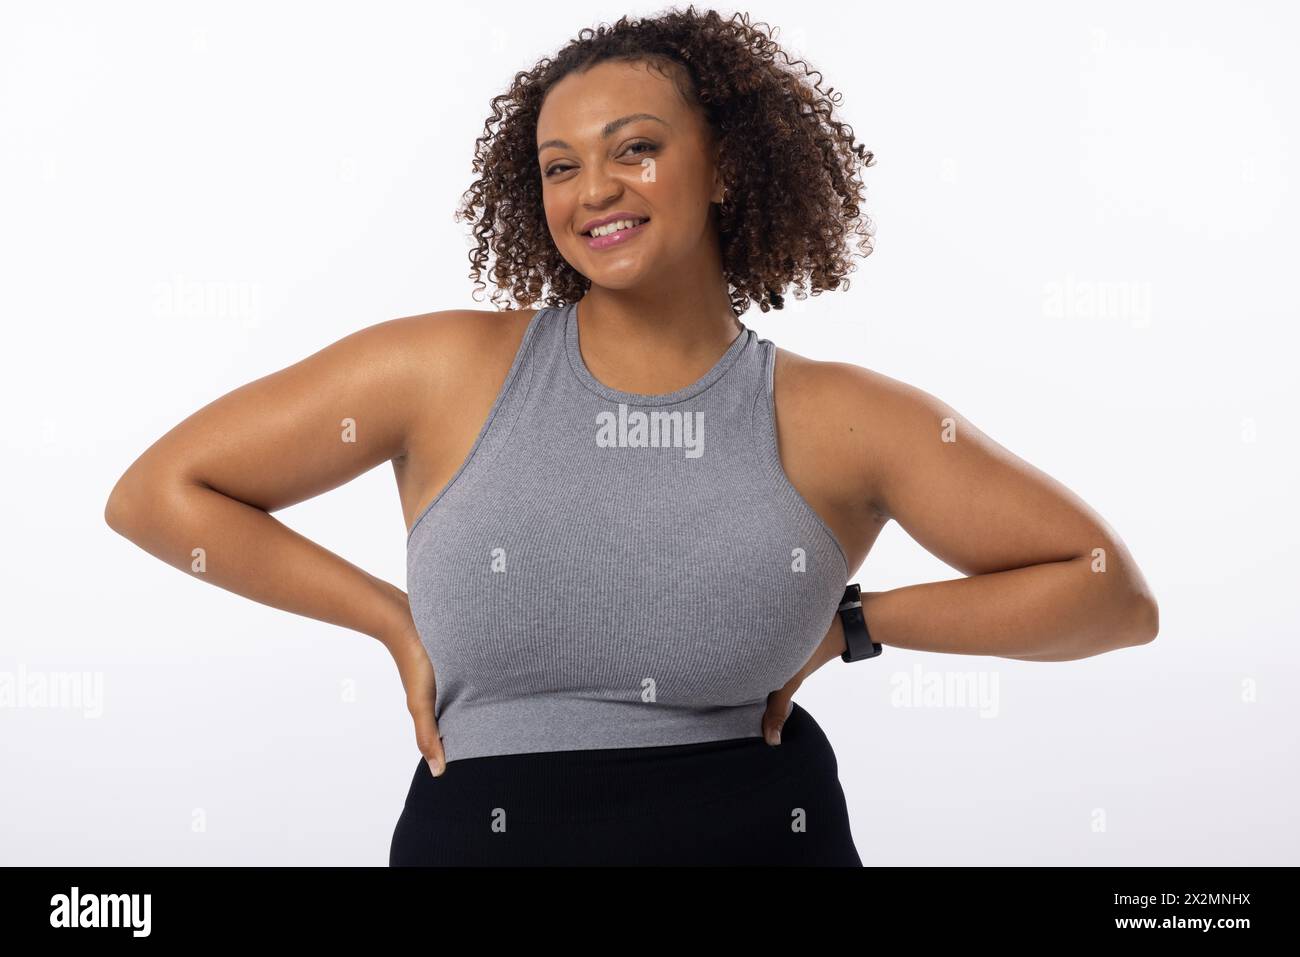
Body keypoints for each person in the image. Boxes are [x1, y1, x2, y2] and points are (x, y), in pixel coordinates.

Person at [104, 8, 1158, 867]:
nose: (593, 189)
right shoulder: (435, 371)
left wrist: (856, 627)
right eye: (559, 166)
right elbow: (161, 492)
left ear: (727, 168)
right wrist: (392, 619)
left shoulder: (843, 417)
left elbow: (1108, 592)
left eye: (637, 150)